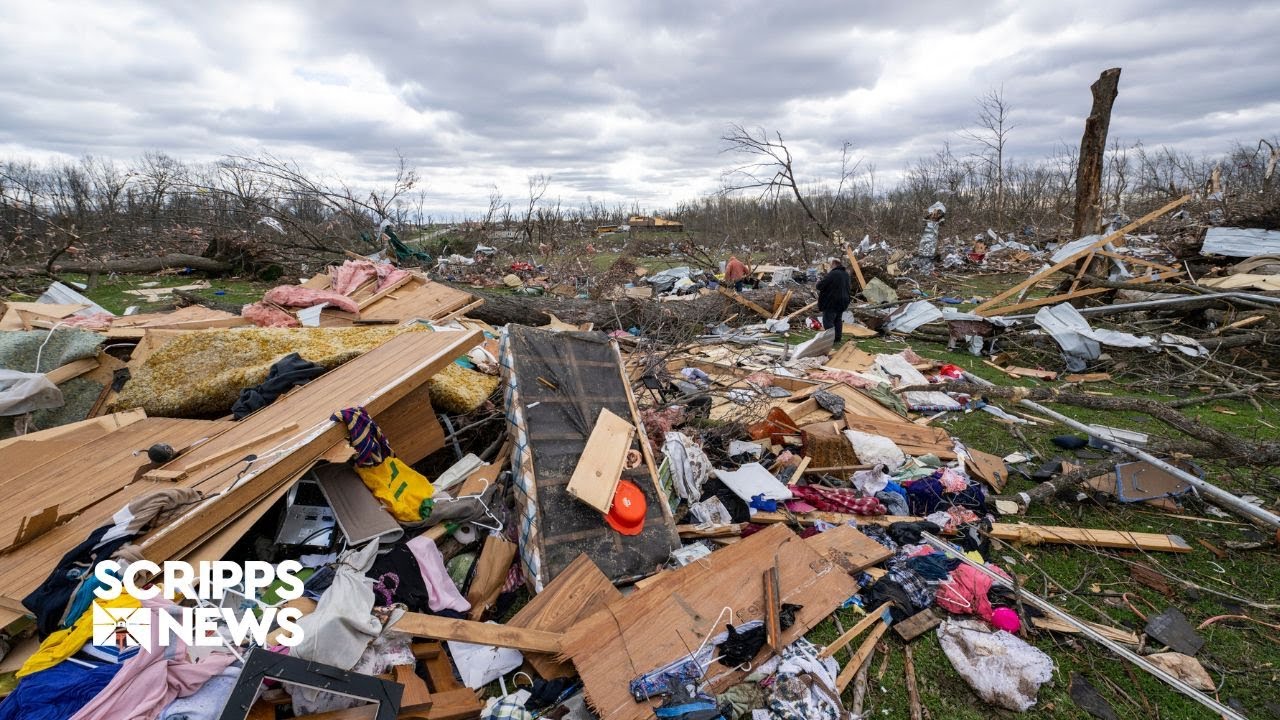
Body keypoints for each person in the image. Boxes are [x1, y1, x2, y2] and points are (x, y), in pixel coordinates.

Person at [816, 259, 852, 343]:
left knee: (828, 321)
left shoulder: (833, 274)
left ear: (834, 263)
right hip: (843, 301)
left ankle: (830, 339)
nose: (830, 266)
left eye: (830, 264)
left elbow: (821, 286)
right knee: (837, 320)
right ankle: (837, 338)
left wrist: (818, 282)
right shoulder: (846, 274)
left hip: (832, 301)